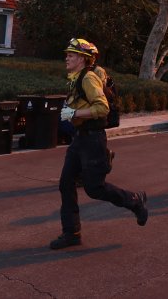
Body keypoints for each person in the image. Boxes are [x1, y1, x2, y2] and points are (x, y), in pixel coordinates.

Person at [51, 38, 148, 250]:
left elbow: (102, 108)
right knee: (66, 183)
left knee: (94, 189)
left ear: (82, 59)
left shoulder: (88, 79)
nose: (66, 58)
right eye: (67, 54)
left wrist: (74, 113)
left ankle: (134, 201)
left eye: (71, 55)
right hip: (80, 138)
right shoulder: (76, 78)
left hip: (93, 139)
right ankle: (71, 233)